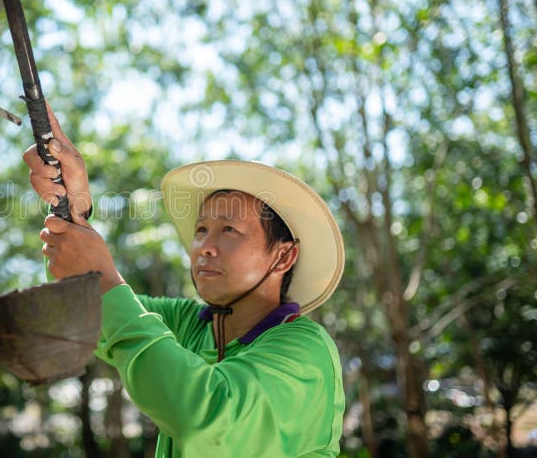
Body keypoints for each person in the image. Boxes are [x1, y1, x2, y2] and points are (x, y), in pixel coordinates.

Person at [22, 105, 346, 457]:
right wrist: (72, 208)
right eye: (201, 230)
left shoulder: (304, 350)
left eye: (229, 230)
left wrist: (107, 282)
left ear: (283, 256)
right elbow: (75, 309)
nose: (205, 247)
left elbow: (207, 419)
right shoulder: (187, 324)